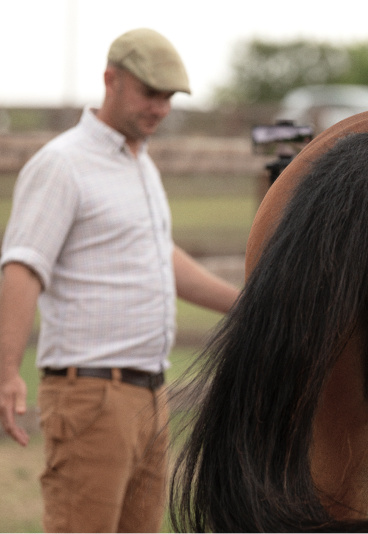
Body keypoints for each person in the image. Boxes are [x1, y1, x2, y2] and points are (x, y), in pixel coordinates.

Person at [0, 28, 240, 532]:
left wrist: (245, 304)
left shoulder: (139, 164)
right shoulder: (63, 164)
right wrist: (6, 374)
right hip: (91, 397)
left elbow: (159, 257)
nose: (160, 108)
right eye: (150, 93)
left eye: (168, 97)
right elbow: (23, 266)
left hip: (150, 395)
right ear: (111, 80)